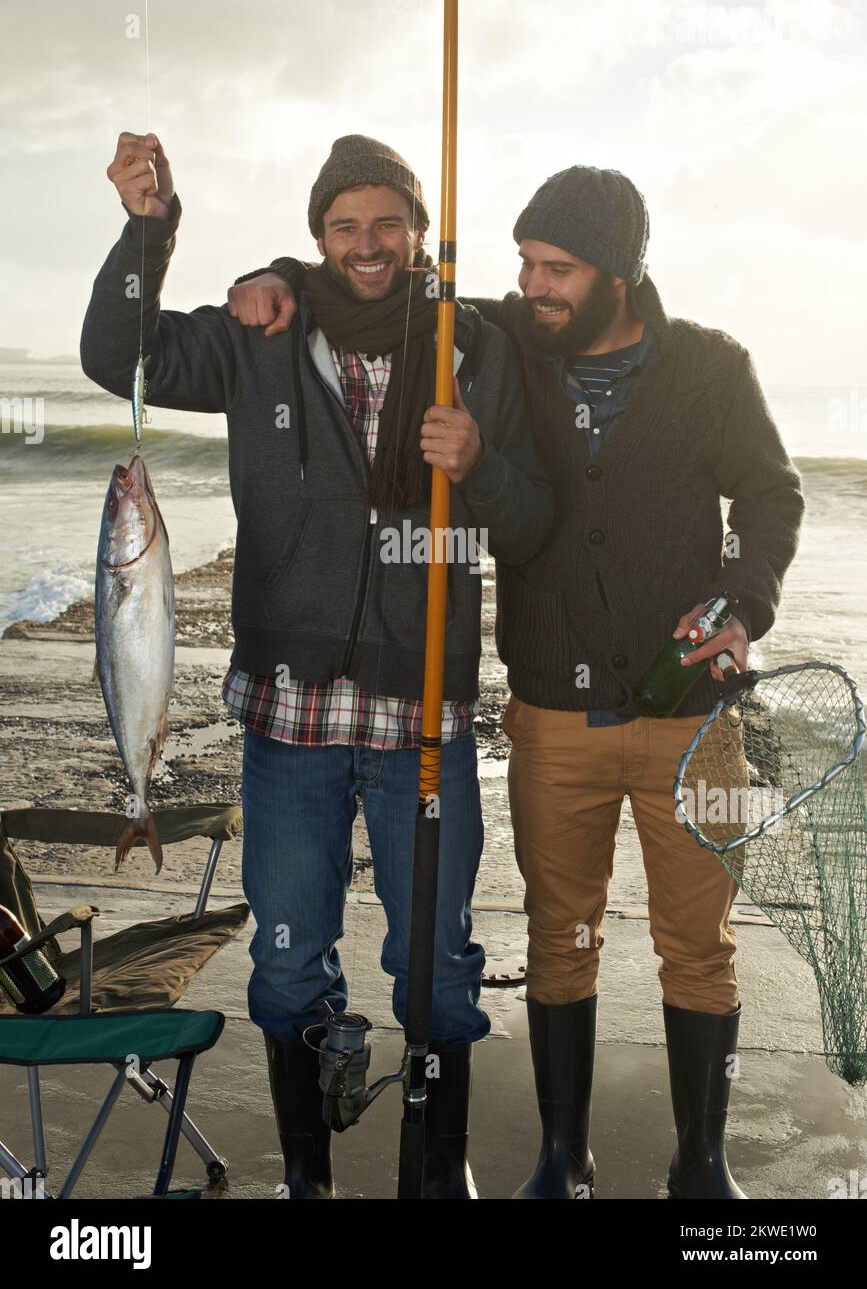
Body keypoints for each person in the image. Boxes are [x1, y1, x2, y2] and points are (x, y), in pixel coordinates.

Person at [226, 163, 805, 1200]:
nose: (532, 283)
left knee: (699, 942)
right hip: (550, 709)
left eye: (557, 267)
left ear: (618, 275)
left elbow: (772, 497)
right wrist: (273, 271)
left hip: (699, 720)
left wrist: (742, 606)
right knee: (559, 935)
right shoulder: (503, 343)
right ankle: (558, 1156)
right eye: (526, 262)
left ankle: (703, 1164)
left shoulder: (716, 367)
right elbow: (372, 278)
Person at [80, 131, 553, 1200]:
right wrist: (148, 229)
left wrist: (477, 464)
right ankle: (308, 1179)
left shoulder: (476, 348)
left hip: (421, 715)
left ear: (421, 231)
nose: (368, 242)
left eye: (389, 221)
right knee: (289, 963)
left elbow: (529, 528)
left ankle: (436, 1172)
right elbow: (121, 357)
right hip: (288, 712)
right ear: (318, 238)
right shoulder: (265, 332)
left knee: (436, 971)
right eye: (343, 226)